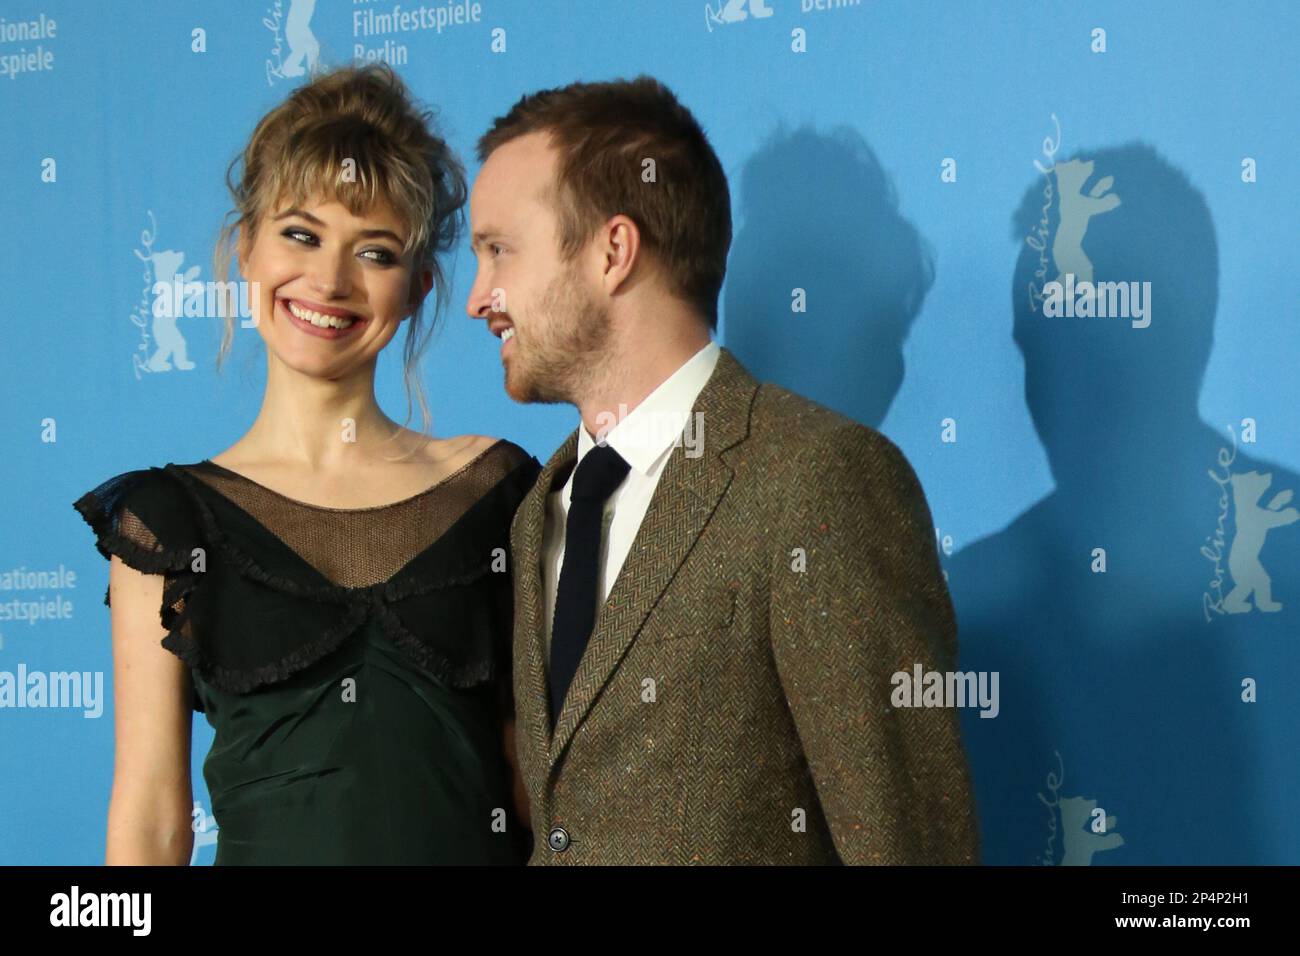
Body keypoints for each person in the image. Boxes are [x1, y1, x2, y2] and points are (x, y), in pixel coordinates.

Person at [466, 76, 980, 864]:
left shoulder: (819, 480)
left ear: (613, 251)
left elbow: (908, 845)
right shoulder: (539, 508)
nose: (479, 297)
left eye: (500, 250)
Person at [73, 63, 539, 865]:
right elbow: (150, 824)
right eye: (300, 234)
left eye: (376, 253)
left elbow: (543, 790)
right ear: (245, 246)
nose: (329, 280)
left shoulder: (500, 493)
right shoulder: (164, 521)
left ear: (420, 288)